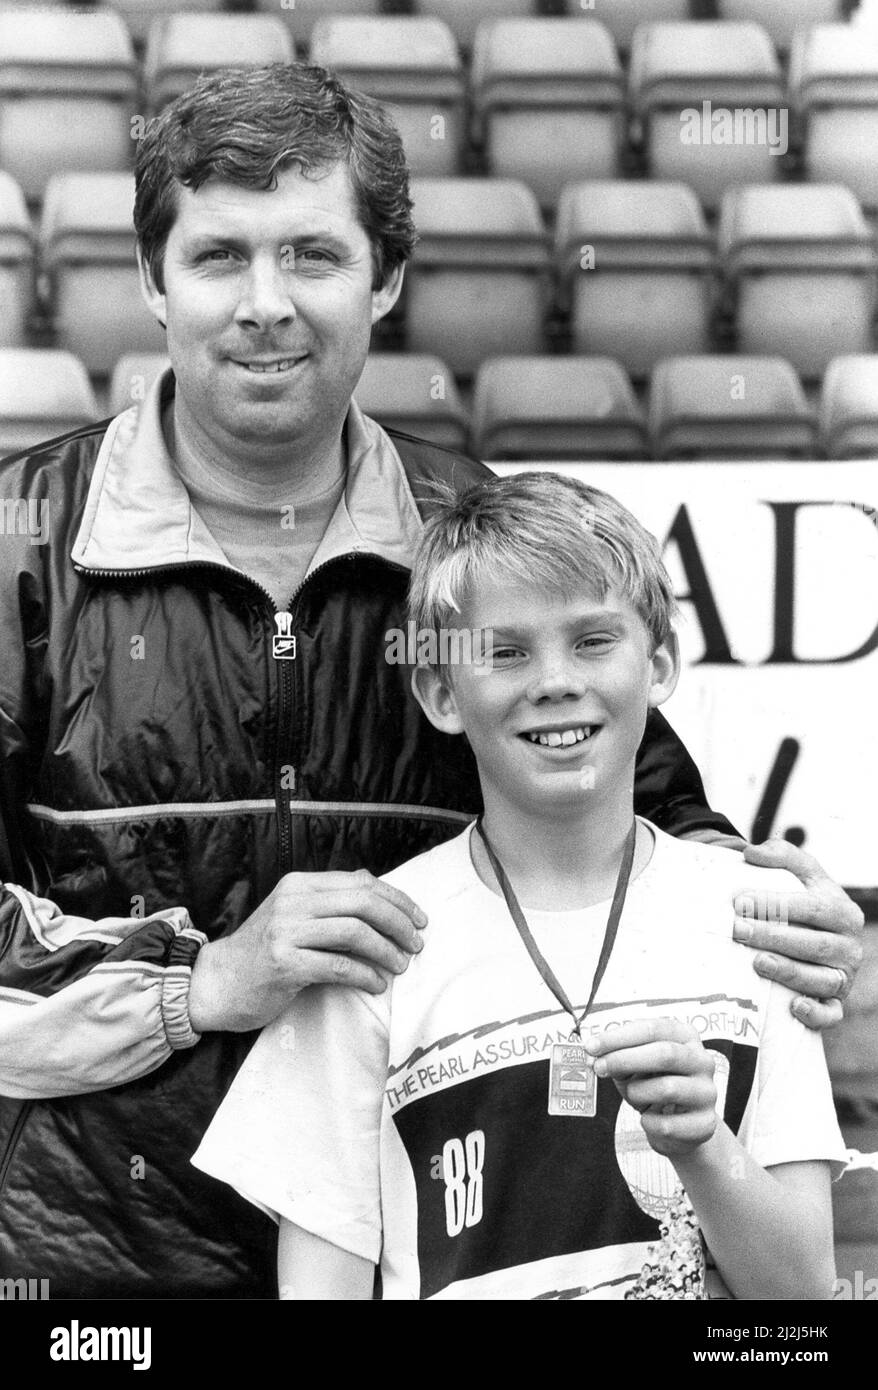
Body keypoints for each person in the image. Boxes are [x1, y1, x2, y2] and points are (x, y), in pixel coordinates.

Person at [0, 64, 862, 1300]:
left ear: (386, 277)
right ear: (149, 278)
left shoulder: (478, 545)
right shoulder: (18, 545)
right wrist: (199, 984)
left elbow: (658, 839)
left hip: (428, 1254)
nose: (263, 306)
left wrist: (778, 925)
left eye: (311, 254)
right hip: (96, 1270)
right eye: (217, 258)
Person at [194, 473, 847, 1300]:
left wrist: (704, 1148)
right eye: (505, 652)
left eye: (593, 641)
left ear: (662, 664)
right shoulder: (376, 949)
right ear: (439, 692)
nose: (555, 681)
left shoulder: (756, 928)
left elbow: (802, 1302)